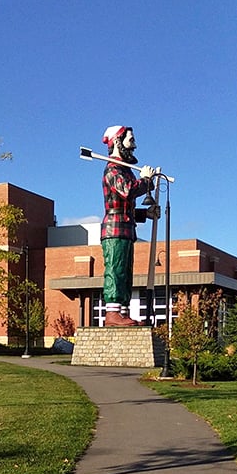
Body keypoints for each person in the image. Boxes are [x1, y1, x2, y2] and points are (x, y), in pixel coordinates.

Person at [100, 126, 155, 326]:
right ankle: (113, 314)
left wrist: (145, 213)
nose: (134, 145)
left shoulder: (125, 170)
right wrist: (147, 181)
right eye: (130, 140)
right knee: (115, 269)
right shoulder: (112, 170)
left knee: (125, 272)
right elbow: (128, 191)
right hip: (114, 230)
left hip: (125, 227)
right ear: (117, 141)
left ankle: (122, 312)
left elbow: (123, 204)